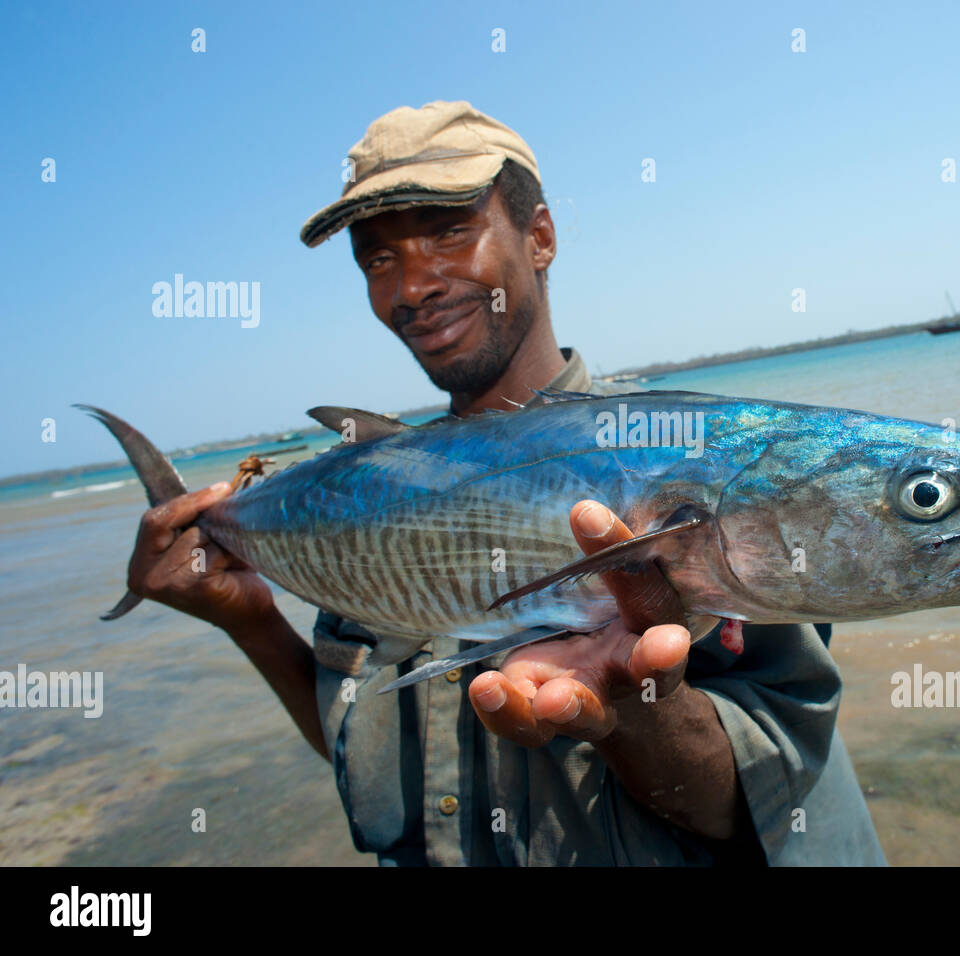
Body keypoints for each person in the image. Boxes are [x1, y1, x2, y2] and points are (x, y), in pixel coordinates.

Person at [126, 100, 887, 866]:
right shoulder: (364, 493)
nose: (411, 286)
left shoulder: (682, 467)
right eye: (377, 258)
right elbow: (378, 765)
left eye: (449, 231)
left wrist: (632, 707)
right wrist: (247, 620)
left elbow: (770, 799)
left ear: (541, 236)